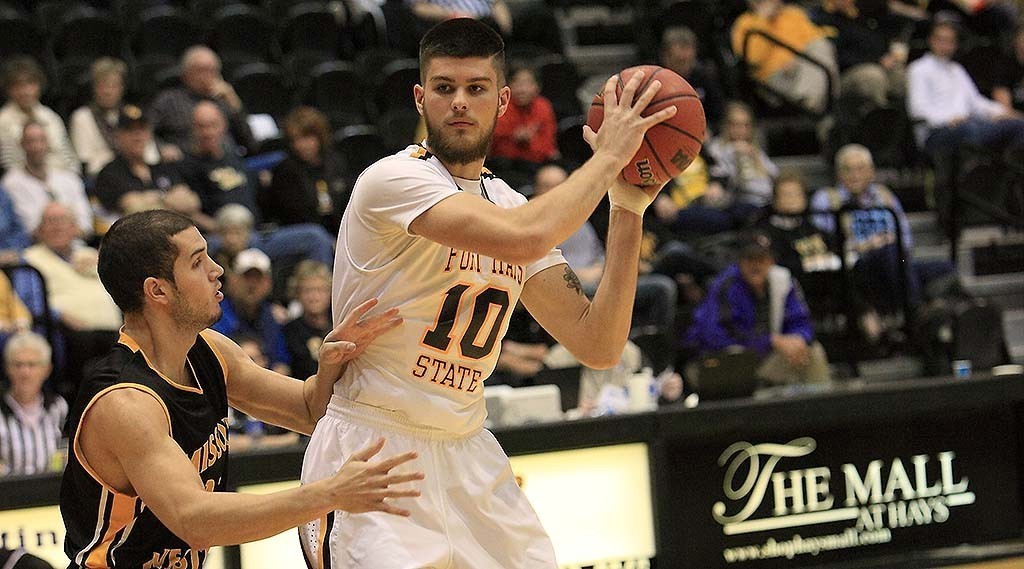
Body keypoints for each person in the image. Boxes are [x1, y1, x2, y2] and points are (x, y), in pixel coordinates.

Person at [300, 18, 677, 568]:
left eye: (476, 89)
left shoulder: (510, 203)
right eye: (444, 88)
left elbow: (598, 344)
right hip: (374, 448)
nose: (459, 103)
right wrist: (607, 158)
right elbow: (525, 238)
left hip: (469, 447)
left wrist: (628, 209)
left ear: (502, 101)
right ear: (419, 97)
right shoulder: (391, 180)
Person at [60, 210, 420, 568]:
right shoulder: (125, 401)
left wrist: (333, 361)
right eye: (198, 262)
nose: (217, 270)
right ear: (158, 290)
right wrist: (330, 493)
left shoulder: (211, 352)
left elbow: (310, 412)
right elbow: (195, 520)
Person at [685, 231, 831, 386]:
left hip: (764, 359)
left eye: (761, 259)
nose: (756, 265)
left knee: (812, 352)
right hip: (722, 361)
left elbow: (800, 320)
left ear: (771, 261)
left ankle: (822, 408)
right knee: (735, 359)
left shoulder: (782, 281)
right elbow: (713, 337)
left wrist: (798, 338)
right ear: (740, 262)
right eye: (750, 259)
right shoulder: (725, 286)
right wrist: (771, 341)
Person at [93, 105, 208, 230]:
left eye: (142, 129)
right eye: (130, 130)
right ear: (118, 136)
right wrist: (168, 198)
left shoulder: (162, 168)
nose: (137, 136)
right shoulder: (110, 173)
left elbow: (191, 202)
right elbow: (133, 209)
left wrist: (151, 199)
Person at [731, 0, 840, 114]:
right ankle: (821, 107)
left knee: (821, 46)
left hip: (802, 70)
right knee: (820, 80)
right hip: (771, 80)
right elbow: (753, 60)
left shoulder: (793, 14)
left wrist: (796, 60)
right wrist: (762, 19)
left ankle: (810, 102)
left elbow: (816, 42)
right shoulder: (744, 23)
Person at [148, 46, 256, 159]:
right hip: (185, 165)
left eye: (213, 70)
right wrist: (162, 148)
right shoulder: (168, 100)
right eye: (202, 70)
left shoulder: (224, 100)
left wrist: (236, 105)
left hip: (227, 164)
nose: (208, 76)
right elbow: (145, 132)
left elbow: (250, 143)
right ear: (185, 74)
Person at [69, 58, 159, 178]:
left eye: (113, 86)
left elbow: (151, 155)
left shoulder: (133, 114)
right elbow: (87, 162)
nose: (108, 92)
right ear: (94, 88)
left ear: (122, 88)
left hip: (140, 174)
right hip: (103, 177)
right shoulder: (82, 117)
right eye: (103, 86)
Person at [2, 122, 93, 237]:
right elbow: (25, 229)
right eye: (31, 141)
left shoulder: (69, 178)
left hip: (77, 246)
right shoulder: (10, 183)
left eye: (41, 140)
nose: (37, 147)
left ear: (48, 143)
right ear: (22, 145)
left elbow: (86, 224)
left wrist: (65, 236)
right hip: (34, 249)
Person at [267, 107, 350, 234]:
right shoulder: (286, 171)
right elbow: (293, 216)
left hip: (340, 229)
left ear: (319, 136)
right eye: (295, 140)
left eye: (307, 137)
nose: (301, 145)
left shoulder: (336, 163)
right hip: (305, 233)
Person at [211, 248, 291, 375]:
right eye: (246, 277)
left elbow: (281, 362)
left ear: (268, 283)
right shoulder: (215, 313)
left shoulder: (271, 316)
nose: (252, 285)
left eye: (258, 278)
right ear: (233, 280)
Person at [177, 102, 261, 221]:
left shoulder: (235, 157)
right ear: (192, 128)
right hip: (221, 235)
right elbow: (189, 213)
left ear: (223, 126)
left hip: (256, 230)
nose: (208, 132)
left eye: (213, 125)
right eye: (201, 126)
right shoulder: (185, 166)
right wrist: (217, 229)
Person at [0, 331, 66, 476]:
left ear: (46, 369)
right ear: (7, 368)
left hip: (49, 494)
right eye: (18, 365)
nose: (25, 373)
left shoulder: (58, 407)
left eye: (32, 365)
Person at [0, 57, 80, 175]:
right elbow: (11, 166)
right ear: (8, 90)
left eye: (30, 84)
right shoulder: (3, 121)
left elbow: (69, 159)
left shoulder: (51, 117)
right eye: (18, 86)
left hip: (62, 180)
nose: (26, 92)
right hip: (24, 184)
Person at [491, 63, 558, 166]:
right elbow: (496, 148)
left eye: (528, 83)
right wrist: (516, 138)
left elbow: (549, 147)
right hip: (505, 166)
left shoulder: (543, 106)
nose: (522, 90)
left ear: (537, 87)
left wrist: (529, 141)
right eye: (517, 83)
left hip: (538, 164)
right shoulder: (499, 107)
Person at [660, 26, 726, 128]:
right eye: (679, 61)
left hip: (699, 130)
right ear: (666, 55)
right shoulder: (656, 78)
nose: (685, 57)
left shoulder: (704, 77)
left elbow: (718, 112)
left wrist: (709, 128)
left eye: (688, 60)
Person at [283, 261, 333, 382]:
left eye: (320, 290)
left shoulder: (338, 325)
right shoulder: (289, 331)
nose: (314, 297)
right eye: (307, 290)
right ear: (297, 293)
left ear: (330, 292)